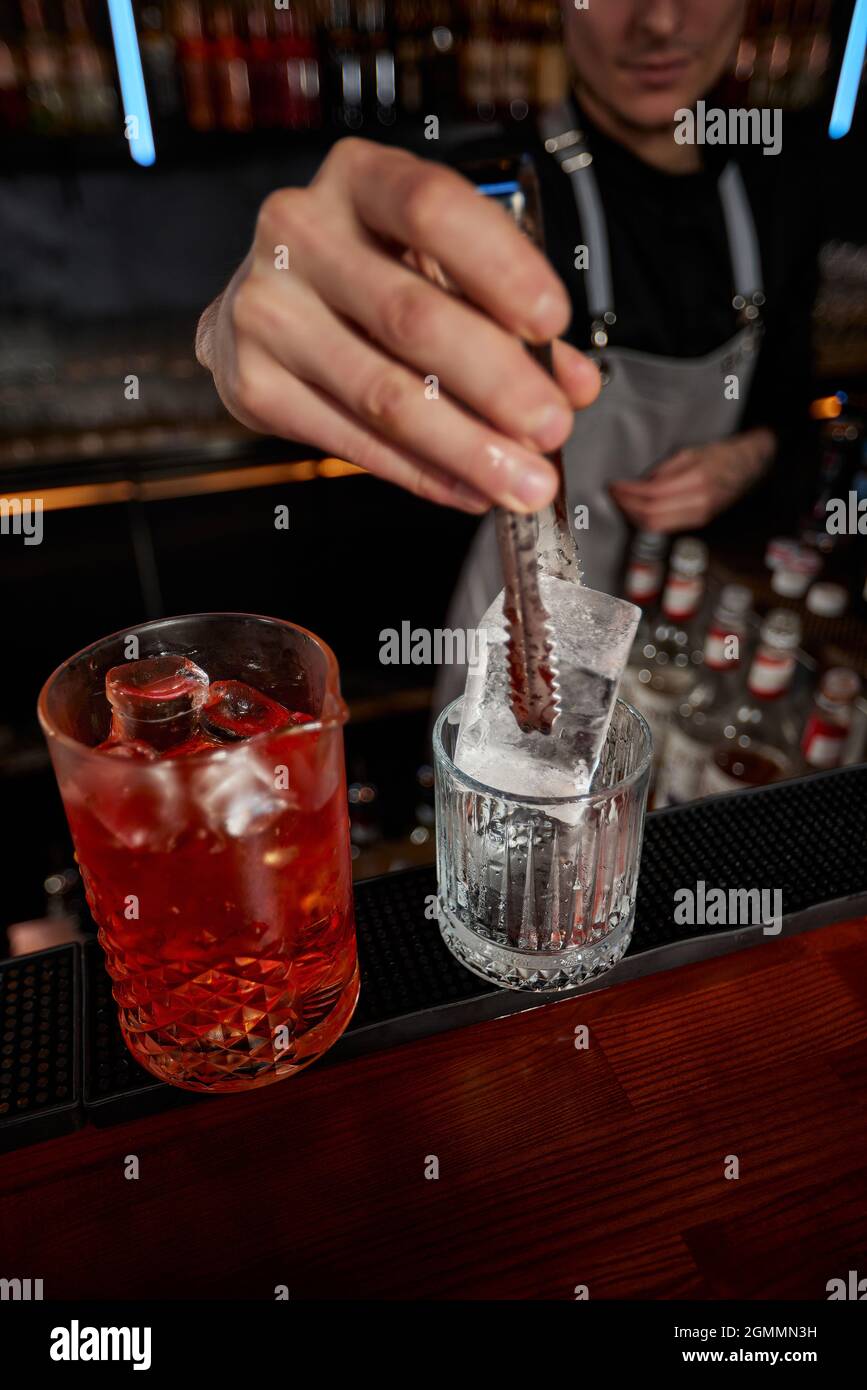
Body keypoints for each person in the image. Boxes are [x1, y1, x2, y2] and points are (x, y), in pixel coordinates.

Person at [196, 0, 819, 653]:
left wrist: (754, 457)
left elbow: (793, 400)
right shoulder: (493, 185)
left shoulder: (781, 177)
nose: (659, 22)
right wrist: (233, 330)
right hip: (511, 647)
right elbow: (315, 280)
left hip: (696, 639)